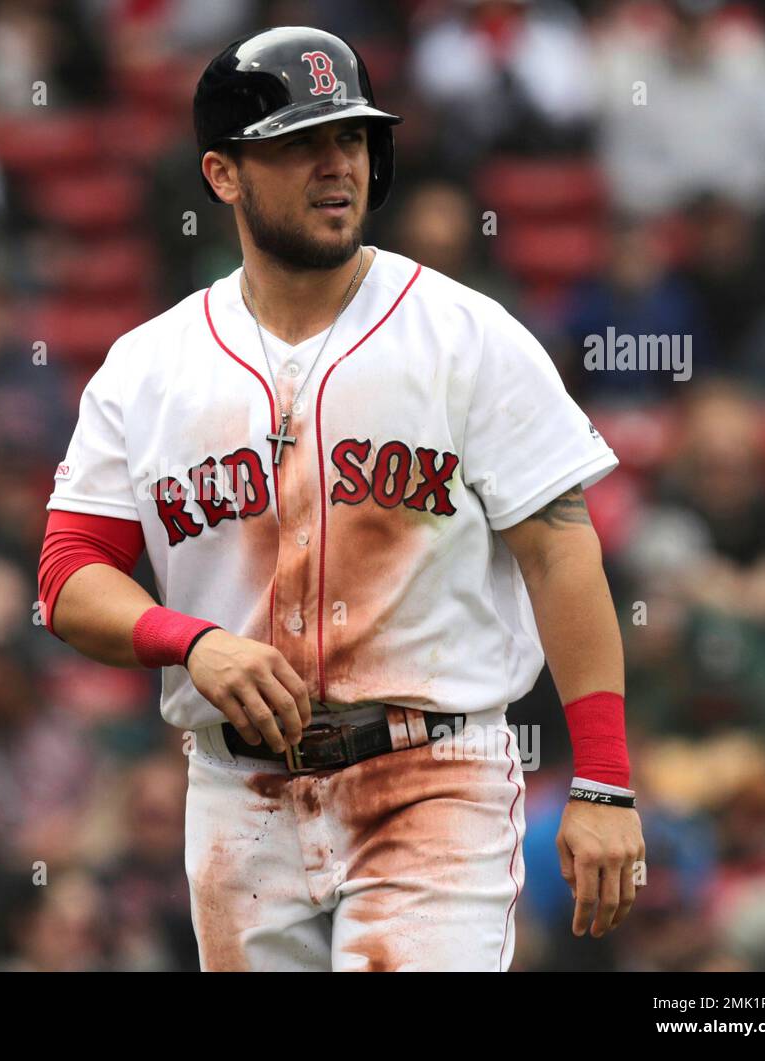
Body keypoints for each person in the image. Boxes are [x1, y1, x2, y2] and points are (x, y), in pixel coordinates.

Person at [38, 26, 644, 971]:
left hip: (432, 775)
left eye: (352, 139)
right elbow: (70, 576)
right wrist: (191, 641)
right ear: (224, 173)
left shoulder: (466, 336)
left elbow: (562, 551)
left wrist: (603, 777)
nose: (336, 165)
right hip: (239, 792)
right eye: (297, 144)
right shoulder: (147, 367)